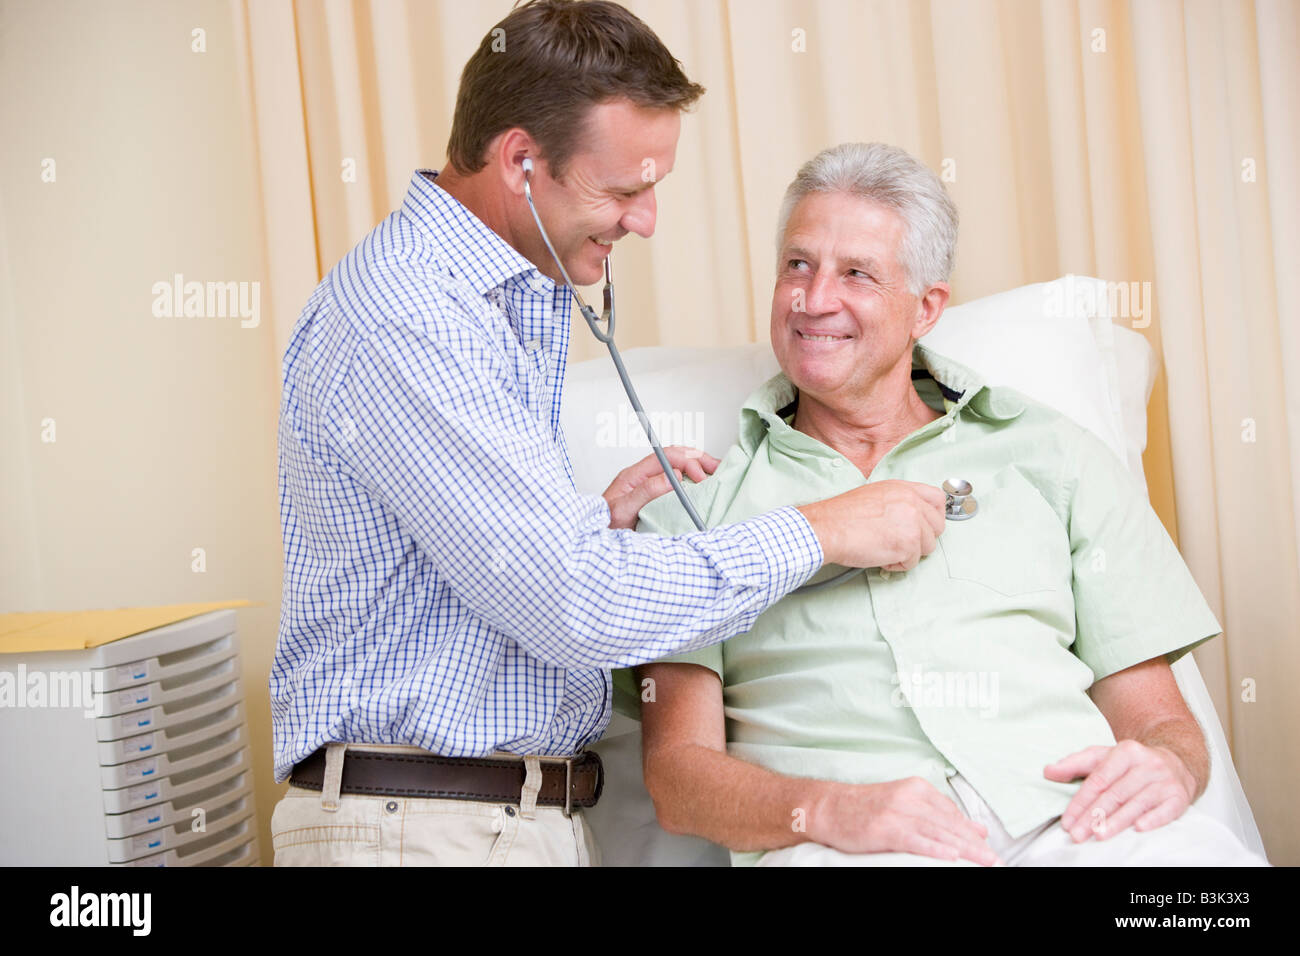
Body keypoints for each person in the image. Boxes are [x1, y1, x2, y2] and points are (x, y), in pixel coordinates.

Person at [268, 1, 946, 867]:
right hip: (423, 830)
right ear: (520, 161)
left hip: (488, 822)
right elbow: (575, 603)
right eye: (625, 189)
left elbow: (499, 576)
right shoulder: (409, 316)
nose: (646, 219)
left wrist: (586, 528)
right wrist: (826, 529)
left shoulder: (491, 303)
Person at [634, 141, 1268, 867]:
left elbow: (1158, 718)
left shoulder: (1052, 455)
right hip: (851, 844)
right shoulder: (691, 514)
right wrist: (832, 811)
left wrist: (1168, 763)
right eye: (797, 265)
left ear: (926, 308)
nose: (813, 298)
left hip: (1076, 823)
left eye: (857, 274)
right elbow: (677, 780)